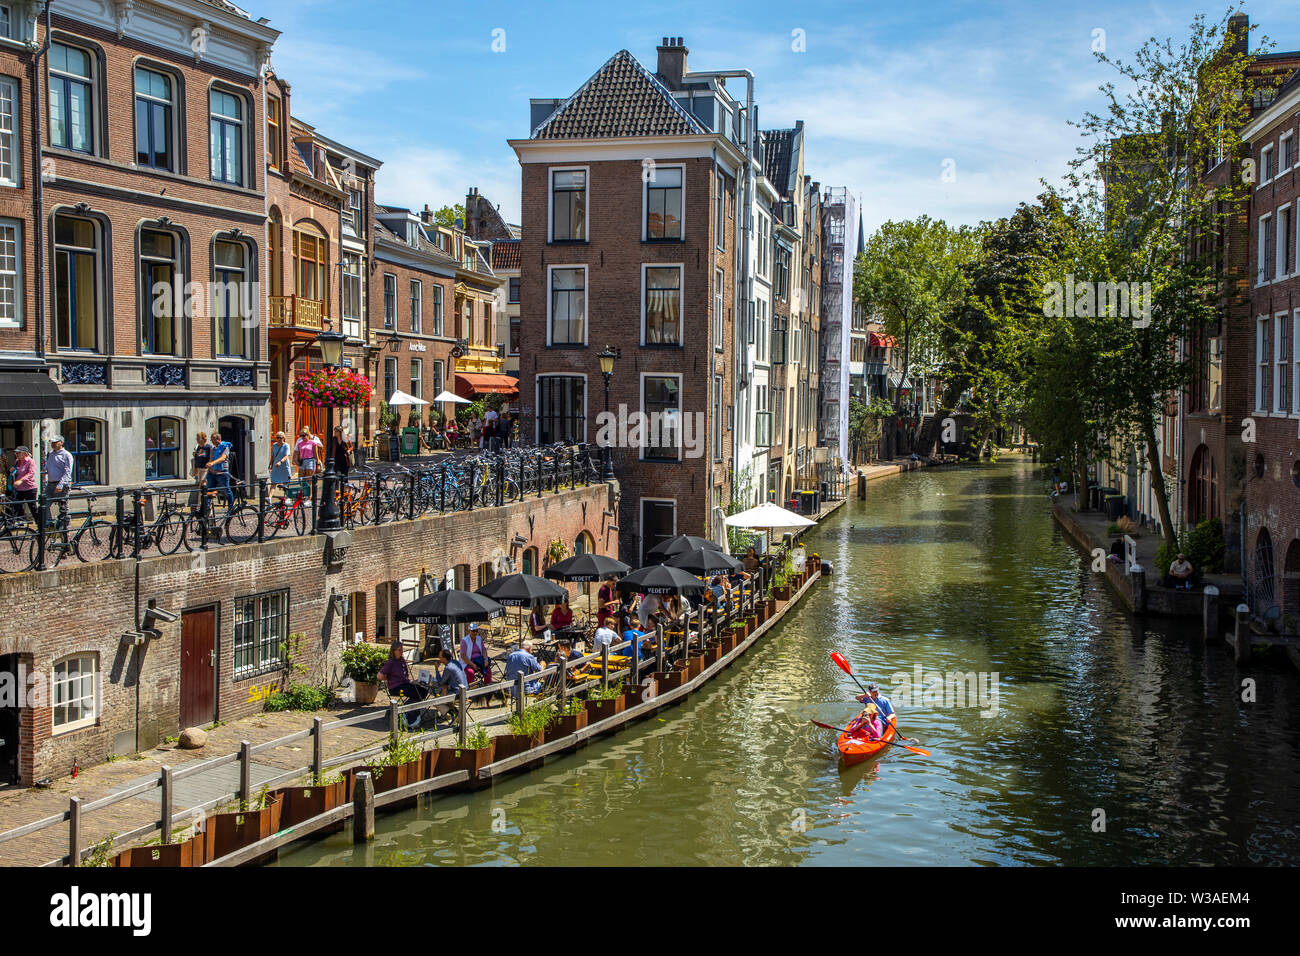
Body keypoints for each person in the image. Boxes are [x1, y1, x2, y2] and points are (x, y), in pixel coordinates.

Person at [377, 640, 428, 712]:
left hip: (405, 684)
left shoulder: (402, 660)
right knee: (417, 694)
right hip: (395, 687)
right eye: (399, 650)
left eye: (402, 650)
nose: (401, 652)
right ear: (394, 651)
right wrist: (388, 678)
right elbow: (379, 676)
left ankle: (409, 709)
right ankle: (404, 710)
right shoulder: (391, 662)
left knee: (423, 691)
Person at [43, 435, 74, 528]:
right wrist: (45, 471)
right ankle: (49, 525)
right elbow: (48, 466)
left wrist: (61, 485)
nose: (53, 444)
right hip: (50, 483)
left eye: (55, 442)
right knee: (44, 504)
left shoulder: (67, 455)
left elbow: (68, 471)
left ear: (61, 442)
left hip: (61, 484)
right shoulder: (50, 453)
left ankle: (65, 527)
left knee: (63, 507)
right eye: (52, 443)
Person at [205, 430, 235, 510]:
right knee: (209, 491)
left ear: (218, 439)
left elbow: (223, 458)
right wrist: (209, 469)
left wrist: (212, 463)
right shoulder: (212, 449)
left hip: (222, 473)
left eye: (213, 439)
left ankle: (231, 507)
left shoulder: (225, 447)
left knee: (226, 490)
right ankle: (206, 509)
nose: (211, 441)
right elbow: (211, 459)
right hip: (212, 473)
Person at [11, 446, 37, 525]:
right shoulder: (17, 461)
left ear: (25, 453)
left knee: (33, 508)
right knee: (16, 506)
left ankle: (41, 528)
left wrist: (21, 480)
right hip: (19, 489)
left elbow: (31, 473)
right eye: (16, 453)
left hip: (29, 488)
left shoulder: (30, 461)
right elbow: (16, 472)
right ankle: (10, 526)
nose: (17, 454)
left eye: (19, 453)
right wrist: (12, 470)